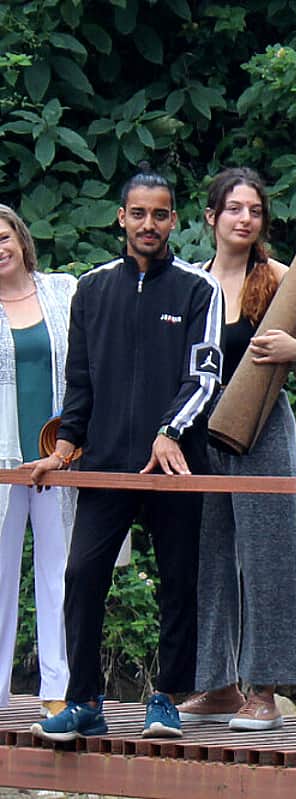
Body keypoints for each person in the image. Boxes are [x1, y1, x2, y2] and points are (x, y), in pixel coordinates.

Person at [27, 165, 223, 741]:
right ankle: (84, 700)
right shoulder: (92, 289)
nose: (148, 224)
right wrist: (65, 447)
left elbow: (205, 376)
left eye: (160, 214)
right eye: (138, 213)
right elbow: (80, 380)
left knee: (178, 580)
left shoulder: (199, 289)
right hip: (107, 464)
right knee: (82, 574)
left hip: (176, 464)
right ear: (121, 217)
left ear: (174, 221)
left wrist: (170, 431)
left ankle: (166, 699)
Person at [175, 168, 296, 731]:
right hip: (200, 432)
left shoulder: (281, 279)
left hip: (263, 430)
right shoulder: (191, 282)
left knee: (270, 558)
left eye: (255, 211)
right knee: (207, 558)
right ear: (211, 217)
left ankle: (266, 690)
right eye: (234, 209)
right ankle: (217, 685)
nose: (245, 219)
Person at [0, 205, 75, 718]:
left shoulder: (64, 291)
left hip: (56, 459)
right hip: (2, 461)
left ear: (21, 239)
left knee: (60, 575)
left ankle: (57, 690)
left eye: (3, 237)